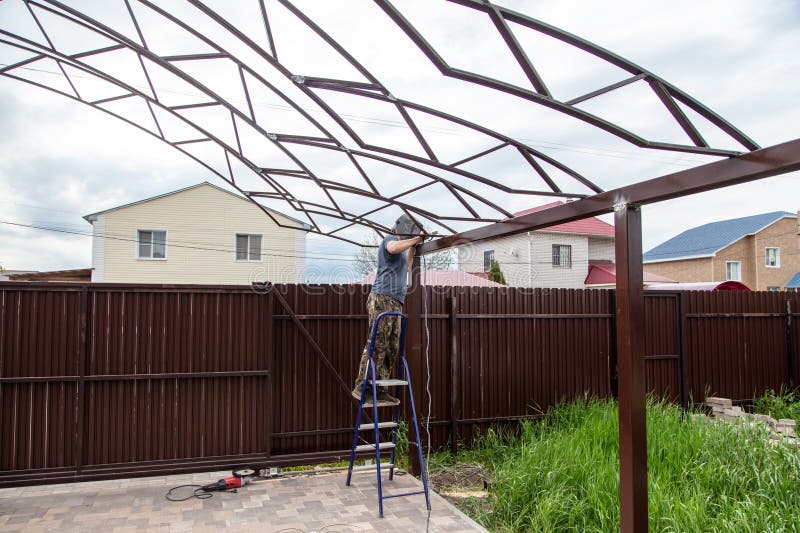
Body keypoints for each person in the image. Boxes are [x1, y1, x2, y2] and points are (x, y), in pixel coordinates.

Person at [352, 214, 423, 405]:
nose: (414, 235)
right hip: (381, 297)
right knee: (377, 342)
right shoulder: (390, 240)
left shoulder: (403, 250)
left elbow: (407, 267)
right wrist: (416, 239)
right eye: (412, 232)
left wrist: (414, 248)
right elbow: (393, 248)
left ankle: (379, 387)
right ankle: (362, 386)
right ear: (402, 229)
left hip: (396, 301)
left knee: (392, 346)